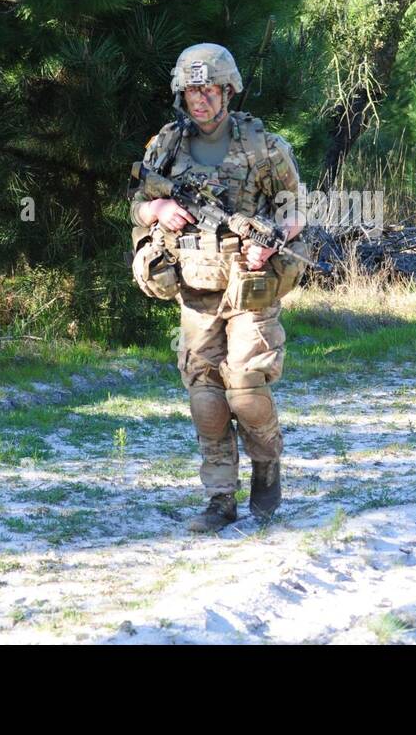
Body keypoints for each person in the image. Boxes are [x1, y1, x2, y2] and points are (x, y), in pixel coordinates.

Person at [130, 43, 305, 532]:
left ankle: (266, 465)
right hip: (196, 289)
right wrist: (156, 211)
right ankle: (219, 499)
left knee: (246, 390)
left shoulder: (261, 145)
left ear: (228, 89)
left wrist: (271, 241)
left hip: (251, 287)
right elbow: (137, 204)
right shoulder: (166, 146)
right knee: (205, 398)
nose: (199, 100)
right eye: (190, 91)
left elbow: (295, 207)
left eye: (207, 89)